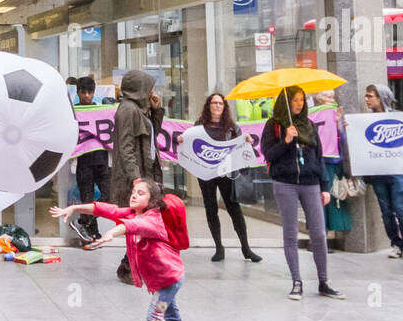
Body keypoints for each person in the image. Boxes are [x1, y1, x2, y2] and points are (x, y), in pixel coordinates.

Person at [51, 178, 201, 321]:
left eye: (140, 193)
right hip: (161, 280)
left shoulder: (153, 220)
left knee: (153, 320)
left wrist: (110, 234)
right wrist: (74, 207)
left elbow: (131, 227)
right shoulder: (132, 213)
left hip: (169, 280)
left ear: (151, 201)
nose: (134, 195)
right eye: (133, 191)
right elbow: (104, 209)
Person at [261, 86, 345, 300]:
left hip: (311, 183)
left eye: (301, 100)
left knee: (318, 233)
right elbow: (268, 154)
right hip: (285, 183)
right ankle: (296, 281)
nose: (298, 104)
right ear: (285, 103)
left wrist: (324, 187)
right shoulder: (274, 126)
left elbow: (319, 158)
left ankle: (323, 281)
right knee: (290, 234)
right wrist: (286, 141)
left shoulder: (308, 125)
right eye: (294, 100)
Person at [174, 91, 261, 263]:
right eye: (214, 103)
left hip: (225, 173)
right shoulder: (199, 125)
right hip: (206, 173)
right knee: (211, 208)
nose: (217, 106)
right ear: (208, 105)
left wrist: (247, 141)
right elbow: (190, 143)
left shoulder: (231, 127)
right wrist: (181, 140)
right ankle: (219, 247)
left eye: (220, 103)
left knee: (233, 208)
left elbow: (241, 147)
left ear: (224, 107)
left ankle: (246, 248)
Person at [109, 70, 166, 283]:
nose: (152, 90)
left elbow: (154, 135)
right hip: (135, 177)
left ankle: (132, 266)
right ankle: (127, 267)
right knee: (137, 224)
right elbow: (126, 147)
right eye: (148, 86)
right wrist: (136, 178)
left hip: (146, 172)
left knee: (142, 223)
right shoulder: (127, 110)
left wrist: (156, 110)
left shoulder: (140, 110)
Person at [362, 84, 403, 259]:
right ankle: (396, 243)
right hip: (378, 172)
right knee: (386, 211)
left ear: (381, 98)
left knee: (400, 209)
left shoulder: (398, 117)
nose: (366, 99)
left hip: (397, 171)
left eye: (370, 96)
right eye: (366, 96)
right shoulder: (365, 120)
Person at [71, 76, 111, 242]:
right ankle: (92, 233)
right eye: (84, 92)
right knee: (87, 199)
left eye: (90, 92)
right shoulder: (73, 113)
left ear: (94, 93)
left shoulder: (101, 110)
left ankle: (82, 222)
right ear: (78, 92)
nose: (87, 95)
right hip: (84, 163)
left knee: (108, 197)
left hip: (102, 161)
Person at [312, 89, 352, 234]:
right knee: (321, 197)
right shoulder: (314, 114)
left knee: (335, 197)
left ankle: (329, 231)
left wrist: (339, 126)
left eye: (333, 97)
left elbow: (342, 140)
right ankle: (320, 234)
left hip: (335, 162)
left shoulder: (336, 115)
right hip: (321, 161)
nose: (332, 100)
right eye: (329, 97)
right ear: (320, 99)